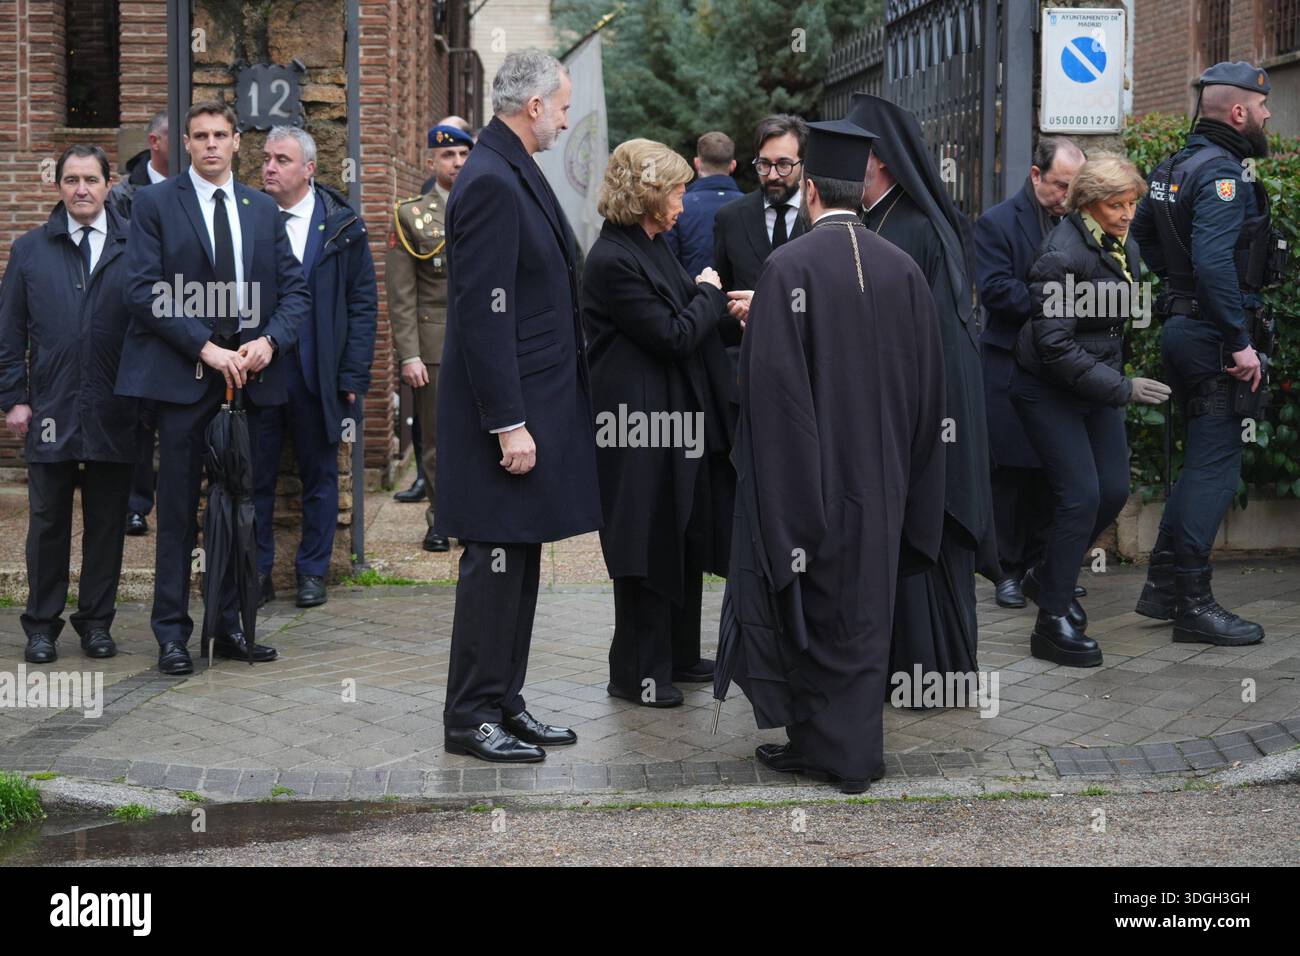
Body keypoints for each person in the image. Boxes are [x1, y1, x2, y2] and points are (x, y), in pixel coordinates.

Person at [732, 118, 947, 793]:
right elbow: (930, 389)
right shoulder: (902, 269)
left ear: (813, 191)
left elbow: (768, 394)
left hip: (810, 478)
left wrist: (777, 487)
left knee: (813, 608)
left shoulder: (786, 267)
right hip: (882, 475)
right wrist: (913, 475)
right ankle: (820, 743)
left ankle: (845, 755)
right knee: (863, 609)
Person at [437, 50, 601, 762]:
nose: (567, 120)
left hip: (533, 408)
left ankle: (504, 700)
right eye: (562, 107)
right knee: (494, 566)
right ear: (532, 105)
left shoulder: (509, 165)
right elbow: (481, 313)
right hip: (502, 420)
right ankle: (470, 715)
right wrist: (508, 422)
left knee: (521, 560)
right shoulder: (489, 180)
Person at [115, 100, 310, 675]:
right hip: (183, 381)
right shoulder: (154, 203)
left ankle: (229, 625)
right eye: (199, 136)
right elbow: (144, 290)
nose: (211, 145)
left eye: (221, 135)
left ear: (236, 142)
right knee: (177, 511)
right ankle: (172, 633)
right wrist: (205, 345)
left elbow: (296, 293)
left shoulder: (261, 209)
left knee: (240, 510)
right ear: (185, 144)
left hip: (247, 385)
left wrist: (269, 343)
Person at [581, 139, 736, 709]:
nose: (683, 202)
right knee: (645, 540)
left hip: (669, 420)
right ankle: (636, 673)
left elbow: (685, 316)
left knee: (682, 531)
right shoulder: (612, 259)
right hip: (635, 427)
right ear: (646, 197)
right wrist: (709, 296)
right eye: (675, 191)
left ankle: (677, 653)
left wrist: (718, 305)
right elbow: (671, 335)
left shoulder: (653, 244)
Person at [849, 93, 994, 691]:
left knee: (923, 533)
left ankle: (930, 672)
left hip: (924, 416)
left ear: (879, 160)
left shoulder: (914, 228)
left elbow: (920, 336)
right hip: (905, 414)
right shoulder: (880, 219)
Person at [1131, 62, 1278, 647]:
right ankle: (1194, 606)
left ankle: (1164, 592)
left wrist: (1178, 288)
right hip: (1216, 339)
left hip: (1183, 331)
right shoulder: (1222, 174)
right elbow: (1216, 261)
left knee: (1200, 466)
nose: (1268, 116)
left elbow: (1142, 234)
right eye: (1262, 107)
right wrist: (1240, 343)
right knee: (1216, 469)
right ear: (1238, 113)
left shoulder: (1170, 166)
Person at [1011, 155, 1171, 667]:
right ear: (1087, 203)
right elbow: (1054, 346)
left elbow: (1116, 316)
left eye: (1131, 203)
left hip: (1094, 385)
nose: (1127, 214)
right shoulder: (1059, 255)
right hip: (1047, 387)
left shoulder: (1119, 243)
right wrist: (1123, 388)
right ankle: (1050, 623)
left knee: (1114, 490)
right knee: (1080, 496)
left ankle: (1043, 576)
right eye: (1115, 204)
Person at [0, 145, 138, 664]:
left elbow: (150, 326)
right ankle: (41, 626)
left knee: (106, 522)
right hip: (52, 407)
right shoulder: (31, 249)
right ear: (57, 186)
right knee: (48, 522)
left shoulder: (133, 245)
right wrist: (14, 398)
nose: (81, 189)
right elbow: (9, 329)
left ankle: (96, 623)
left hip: (115, 406)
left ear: (109, 184)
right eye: (71, 179)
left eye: (91, 179)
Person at [255, 126, 377, 608]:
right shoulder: (250, 219)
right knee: (255, 479)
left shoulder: (344, 227)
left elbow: (362, 305)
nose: (268, 167)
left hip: (317, 375)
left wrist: (351, 376)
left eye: (281, 160)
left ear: (308, 169)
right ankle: (257, 572)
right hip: (260, 374)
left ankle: (312, 573)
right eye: (265, 158)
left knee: (320, 478)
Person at [976, 137, 1086, 608]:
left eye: (1074, 187)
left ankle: (1046, 569)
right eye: (1060, 185)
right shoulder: (996, 222)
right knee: (1010, 475)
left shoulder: (1082, 224)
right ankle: (1005, 570)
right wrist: (1061, 307)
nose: (1067, 196)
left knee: (1052, 470)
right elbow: (997, 290)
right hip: (1009, 363)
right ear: (1036, 176)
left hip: (1061, 367)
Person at [387, 119, 475, 551]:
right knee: (438, 437)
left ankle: (477, 516)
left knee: (483, 432)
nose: (456, 163)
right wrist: (409, 355)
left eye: (463, 154)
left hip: (482, 340)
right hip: (435, 344)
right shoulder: (411, 215)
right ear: (431, 160)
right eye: (447, 155)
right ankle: (440, 519)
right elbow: (402, 294)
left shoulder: (488, 205)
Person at [110, 110, 171, 537]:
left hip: (188, 313)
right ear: (155, 141)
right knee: (138, 420)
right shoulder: (124, 195)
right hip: (139, 318)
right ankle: (136, 504)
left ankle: (179, 503)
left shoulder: (196, 190)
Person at [712, 114, 809, 334]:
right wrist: (736, 313)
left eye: (784, 164)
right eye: (764, 164)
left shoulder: (820, 219)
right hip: (746, 355)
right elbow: (720, 296)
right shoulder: (730, 217)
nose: (773, 175)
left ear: (804, 163)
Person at [663, 130, 742, 278]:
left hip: (691, 297)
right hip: (741, 299)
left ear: (697, 163)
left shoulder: (677, 206)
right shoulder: (754, 207)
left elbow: (668, 260)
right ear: (733, 165)